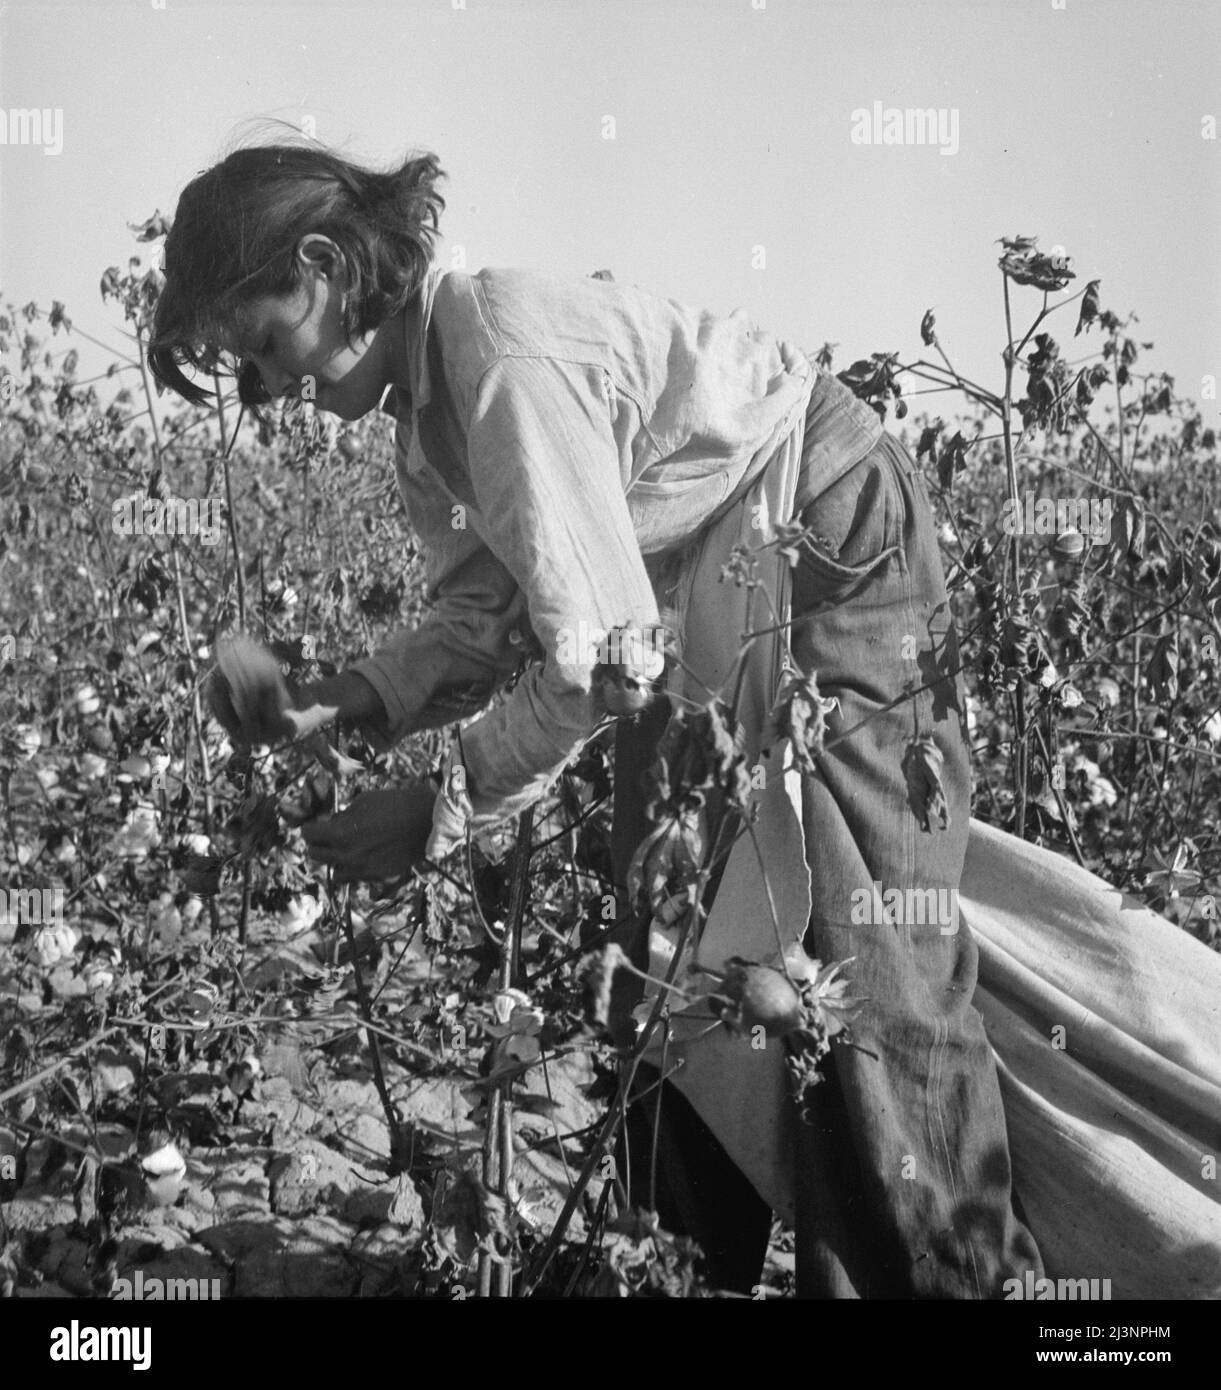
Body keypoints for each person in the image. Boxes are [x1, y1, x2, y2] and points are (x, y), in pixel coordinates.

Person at [147, 136, 1042, 1296]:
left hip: (824, 541)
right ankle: (661, 1270)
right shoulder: (430, 416)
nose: (274, 391)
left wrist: (442, 804)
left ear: (322, 266)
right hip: (716, 581)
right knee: (664, 931)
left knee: (866, 950)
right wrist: (343, 698)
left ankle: (961, 1285)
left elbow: (599, 663)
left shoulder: (499, 357)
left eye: (265, 348)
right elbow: (484, 615)